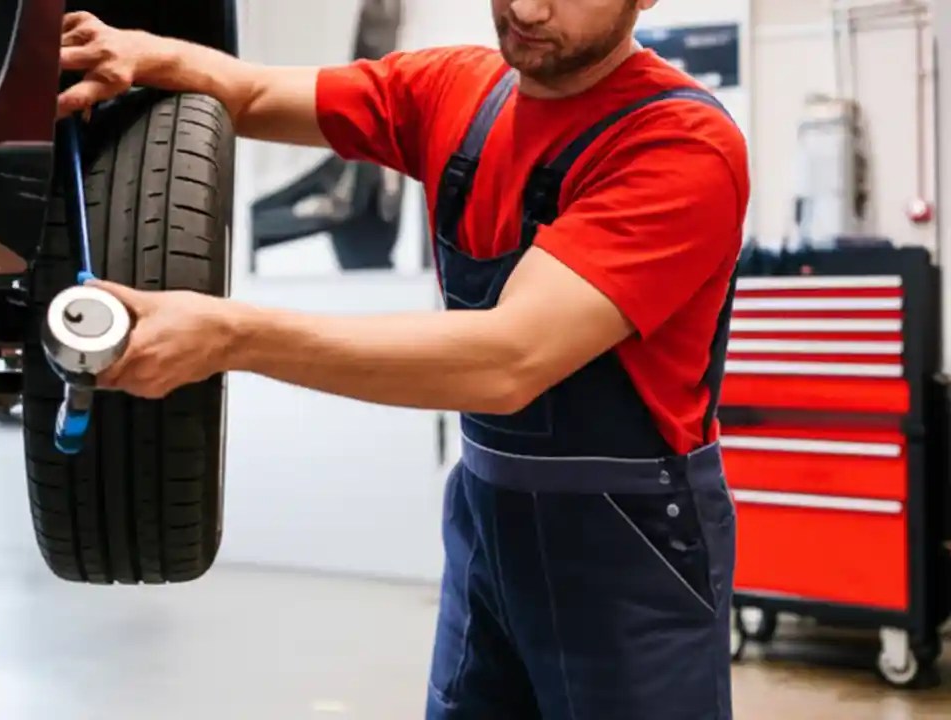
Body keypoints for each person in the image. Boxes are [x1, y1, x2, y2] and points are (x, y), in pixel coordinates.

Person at [57, 1, 749, 718]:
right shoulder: (455, 90)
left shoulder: (679, 143)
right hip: (488, 525)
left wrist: (232, 337)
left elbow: (507, 361)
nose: (526, 8)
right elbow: (253, 93)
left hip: (628, 556)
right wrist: (142, 54)